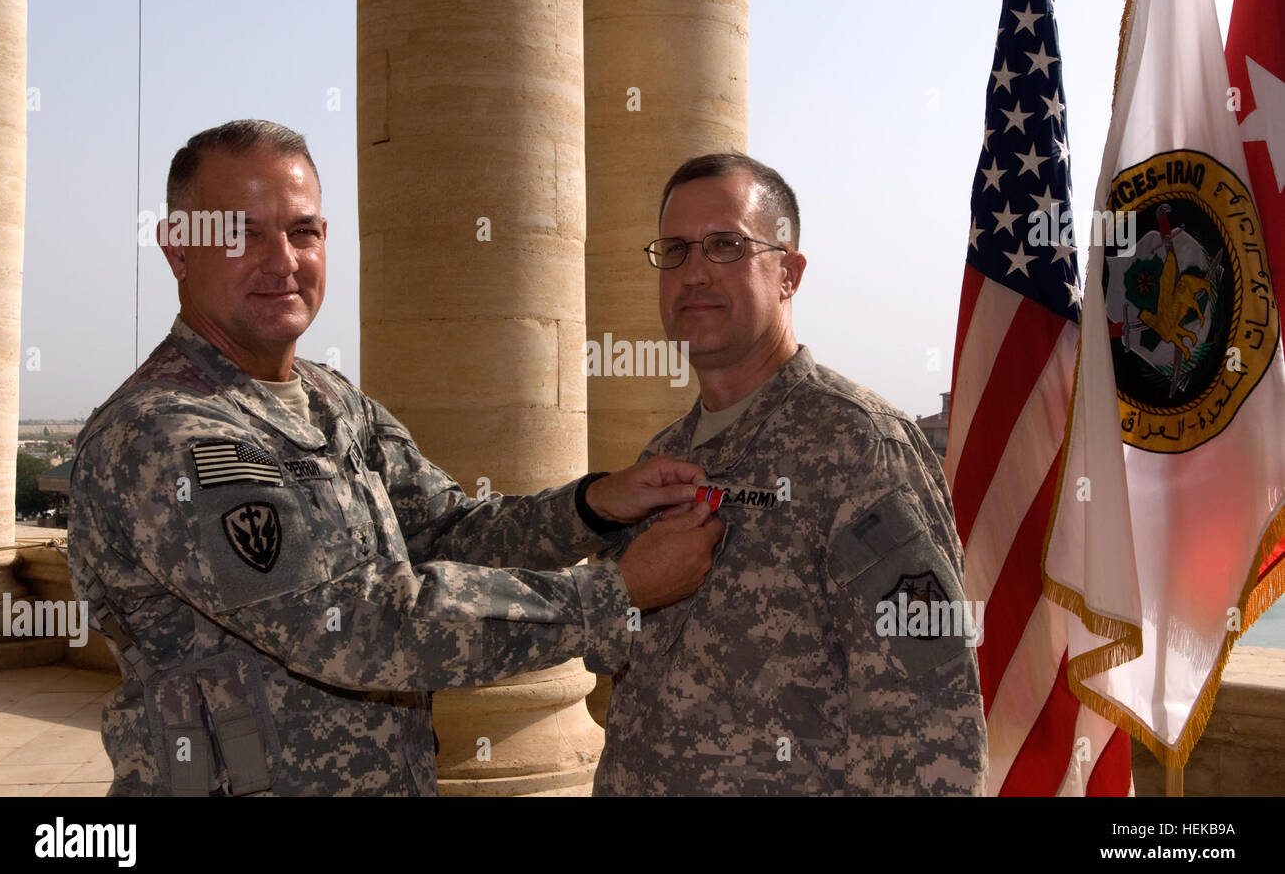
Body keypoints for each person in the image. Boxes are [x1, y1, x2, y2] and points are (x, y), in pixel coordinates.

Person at [66, 120, 723, 796]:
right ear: (179, 250)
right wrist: (614, 595)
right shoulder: (161, 435)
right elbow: (359, 624)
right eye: (242, 233)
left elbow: (449, 531)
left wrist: (593, 504)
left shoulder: (332, 402)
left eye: (303, 232)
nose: (282, 260)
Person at [592, 153, 988, 795]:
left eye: (725, 245)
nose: (693, 272)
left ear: (788, 274)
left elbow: (931, 724)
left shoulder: (859, 446)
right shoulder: (661, 462)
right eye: (674, 249)